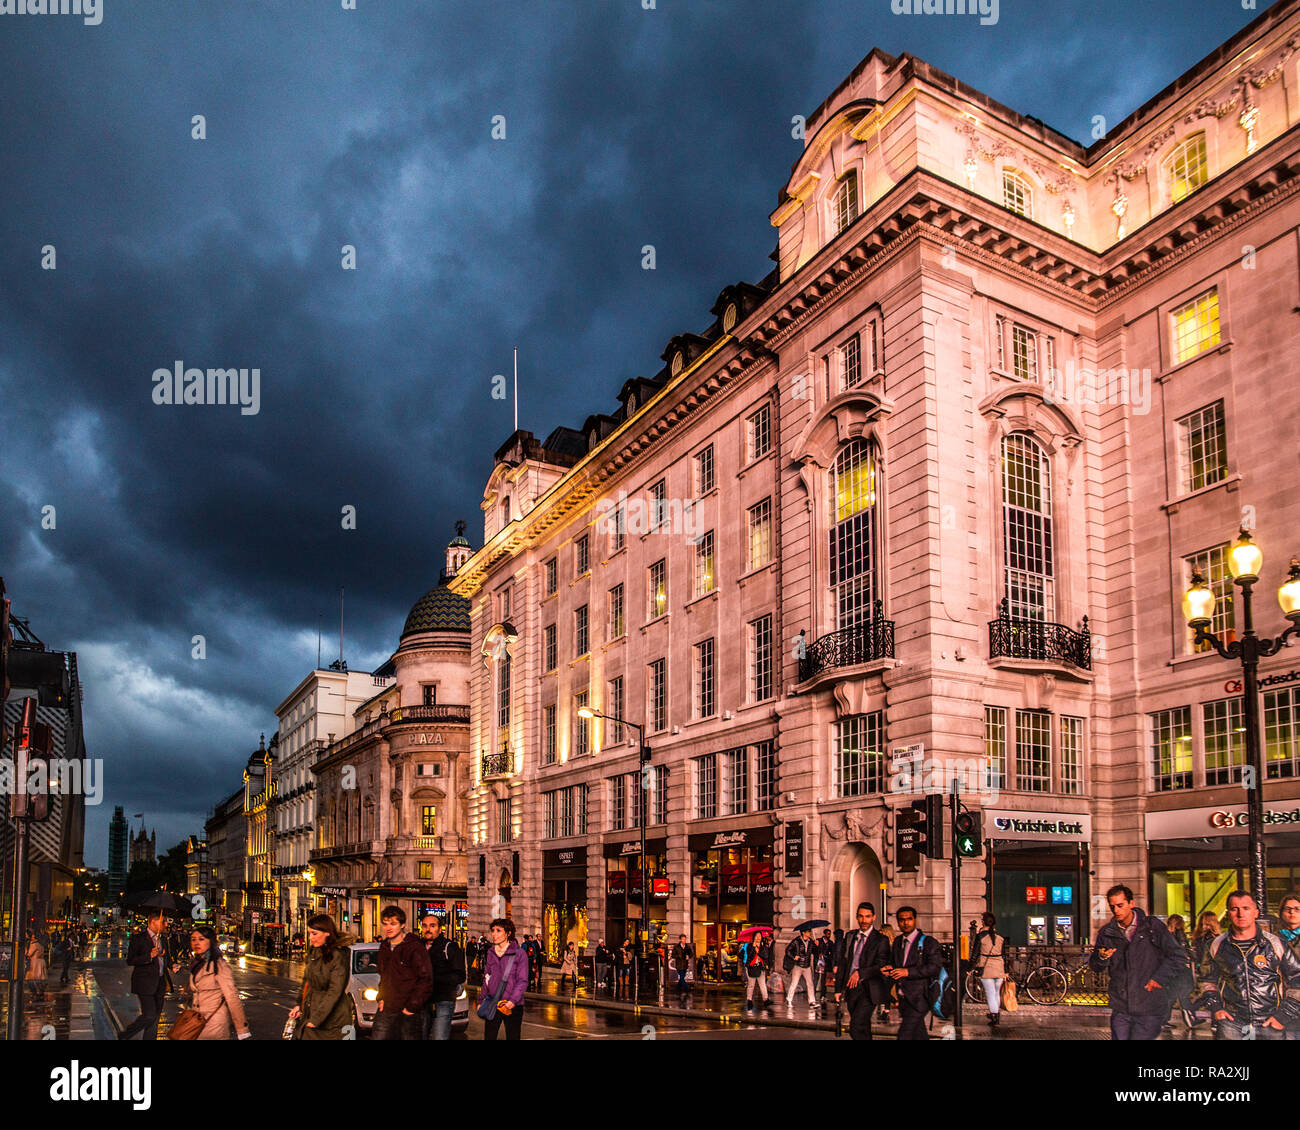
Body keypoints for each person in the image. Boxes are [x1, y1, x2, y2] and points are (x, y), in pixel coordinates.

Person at [1198, 889, 1300, 1040]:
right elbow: (1206, 980)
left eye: (1246, 908)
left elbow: (1297, 979)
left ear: (1256, 912)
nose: (1240, 914)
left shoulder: (1276, 944)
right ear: (1228, 913)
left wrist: (1284, 1015)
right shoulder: (1215, 945)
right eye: (1235, 909)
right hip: (1231, 1023)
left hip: (1269, 1022)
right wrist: (1216, 1008)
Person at [1089, 884, 1185, 1041]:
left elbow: (1177, 956)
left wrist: (1159, 978)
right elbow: (1095, 966)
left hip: (1148, 1005)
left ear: (1131, 904)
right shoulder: (1107, 933)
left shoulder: (1152, 927)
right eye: (1112, 907)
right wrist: (1102, 957)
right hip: (1121, 1006)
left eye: (1120, 905)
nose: (1116, 911)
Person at [288, 914, 353, 1040]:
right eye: (309, 933)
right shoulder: (314, 952)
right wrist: (299, 1005)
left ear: (327, 933)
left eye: (314, 933)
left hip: (333, 1021)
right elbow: (307, 982)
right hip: (311, 1013)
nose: (310, 938)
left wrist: (317, 1019)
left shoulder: (338, 955)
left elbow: (335, 991)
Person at [373, 905, 432, 1040]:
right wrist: (381, 998)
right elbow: (383, 976)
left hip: (409, 1009)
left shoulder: (414, 947)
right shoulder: (384, 946)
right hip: (387, 1007)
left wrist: (412, 1006)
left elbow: (426, 979)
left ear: (402, 925)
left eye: (393, 924)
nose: (388, 928)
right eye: (385, 924)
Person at [118, 913, 180, 1040]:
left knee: (155, 1019)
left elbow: (165, 958)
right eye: (163, 922)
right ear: (153, 922)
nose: (166, 925)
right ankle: (125, 1035)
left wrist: (172, 965)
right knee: (149, 1015)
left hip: (160, 982)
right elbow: (131, 960)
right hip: (144, 983)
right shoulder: (139, 938)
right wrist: (149, 956)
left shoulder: (163, 939)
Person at [834, 902, 890, 1040]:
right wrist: (838, 989)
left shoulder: (881, 939)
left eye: (867, 917)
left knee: (856, 1027)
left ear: (873, 917)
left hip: (869, 988)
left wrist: (860, 973)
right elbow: (843, 963)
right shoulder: (850, 936)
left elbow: (881, 965)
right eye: (861, 916)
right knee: (863, 1027)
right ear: (856, 917)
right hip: (851, 988)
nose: (864, 920)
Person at [885, 906, 942, 1041]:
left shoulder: (928, 942)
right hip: (904, 997)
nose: (906, 923)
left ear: (915, 920)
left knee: (904, 1034)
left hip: (920, 997)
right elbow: (896, 964)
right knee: (918, 1034)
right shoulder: (898, 941)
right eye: (902, 920)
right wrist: (890, 968)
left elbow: (934, 967)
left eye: (909, 919)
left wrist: (907, 972)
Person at [186, 927, 250, 1040]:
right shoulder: (197, 963)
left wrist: (242, 1029)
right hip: (196, 1023)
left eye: (201, 939)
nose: (196, 943)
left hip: (215, 1024)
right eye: (193, 939)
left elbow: (232, 997)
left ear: (210, 941)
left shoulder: (219, 965)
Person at [420, 915, 465, 1040]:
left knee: (440, 1036)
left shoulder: (449, 947)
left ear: (440, 929)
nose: (428, 929)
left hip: (443, 1000)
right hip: (421, 1001)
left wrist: (435, 979)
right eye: (425, 926)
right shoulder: (418, 947)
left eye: (432, 926)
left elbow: (460, 975)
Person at [481, 918, 527, 1040]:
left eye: (498, 931)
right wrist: (481, 1000)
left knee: (513, 1036)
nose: (494, 934)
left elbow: (522, 980)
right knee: (489, 1036)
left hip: (512, 1005)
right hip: (493, 1002)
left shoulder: (519, 954)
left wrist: (512, 1001)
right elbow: (486, 977)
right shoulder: (491, 952)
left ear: (508, 933)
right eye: (493, 930)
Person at [1164, 913, 1197, 1030]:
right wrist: (1188, 957)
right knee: (1184, 992)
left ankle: (1164, 1020)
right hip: (1181, 968)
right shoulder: (1179, 933)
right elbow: (1183, 949)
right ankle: (1190, 1019)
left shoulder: (1166, 935)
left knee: (1171, 995)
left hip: (1171, 969)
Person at [974, 912, 1007, 1027]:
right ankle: (995, 1014)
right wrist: (1006, 971)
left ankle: (994, 1016)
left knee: (990, 993)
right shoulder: (1000, 937)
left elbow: (975, 954)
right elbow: (1004, 955)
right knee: (996, 993)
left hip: (987, 967)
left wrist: (969, 967)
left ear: (983, 922)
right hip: (999, 967)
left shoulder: (981, 936)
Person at [1277, 893, 1300, 1040]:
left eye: (1297, 909)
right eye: (1288, 909)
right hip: (1281, 1005)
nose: (1292, 912)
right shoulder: (1273, 939)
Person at [783, 926, 817, 1010]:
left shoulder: (811, 942)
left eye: (810, 931)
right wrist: (794, 956)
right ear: (803, 933)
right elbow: (788, 950)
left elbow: (815, 952)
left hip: (807, 965)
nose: (810, 933)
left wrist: (817, 946)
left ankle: (812, 1001)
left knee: (810, 984)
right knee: (794, 983)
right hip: (798, 965)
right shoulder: (796, 941)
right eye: (808, 931)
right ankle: (789, 999)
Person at [739, 931, 770, 1011]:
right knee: (751, 985)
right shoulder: (749, 946)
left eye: (760, 936)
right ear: (754, 937)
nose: (758, 938)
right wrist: (753, 948)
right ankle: (749, 1000)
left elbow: (766, 956)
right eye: (756, 936)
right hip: (751, 967)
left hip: (760, 967)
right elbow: (748, 956)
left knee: (762, 984)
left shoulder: (764, 946)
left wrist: (758, 951)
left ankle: (766, 999)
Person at [25, 931, 47, 1003]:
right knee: (38, 979)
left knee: (31, 979)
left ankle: (35, 993)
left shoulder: (33, 945)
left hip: (35, 963)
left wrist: (25, 949)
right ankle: (39, 993)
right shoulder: (40, 944)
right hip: (40, 962)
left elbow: (28, 954)